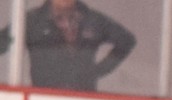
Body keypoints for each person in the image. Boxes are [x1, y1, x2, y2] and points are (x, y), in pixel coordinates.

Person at [0, 0, 135, 92]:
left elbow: (126, 40)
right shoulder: (33, 21)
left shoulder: (93, 19)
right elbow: (2, 42)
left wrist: (99, 70)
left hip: (85, 99)